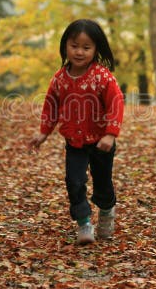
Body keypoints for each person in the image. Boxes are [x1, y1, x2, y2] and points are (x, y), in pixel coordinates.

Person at [29, 19, 124, 244]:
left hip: (102, 142)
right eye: (74, 46)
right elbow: (51, 105)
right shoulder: (60, 79)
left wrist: (111, 133)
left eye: (86, 47)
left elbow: (116, 102)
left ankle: (107, 210)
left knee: (103, 183)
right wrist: (44, 131)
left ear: (96, 49)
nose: (79, 52)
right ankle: (84, 223)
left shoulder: (102, 77)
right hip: (74, 142)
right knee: (74, 181)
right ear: (65, 46)